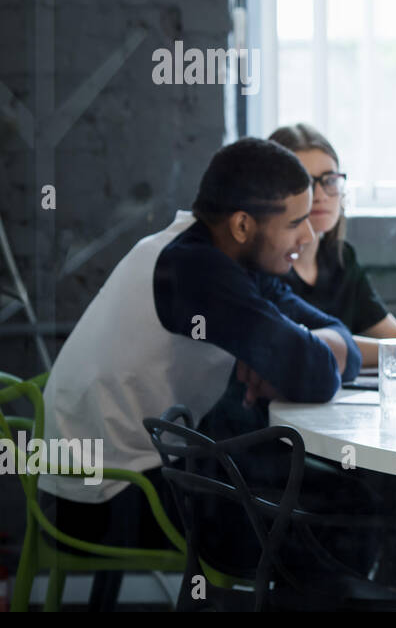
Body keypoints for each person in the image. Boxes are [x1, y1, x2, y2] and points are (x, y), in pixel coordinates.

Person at [38, 138, 360, 584]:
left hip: (133, 475)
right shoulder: (195, 270)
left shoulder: (227, 254)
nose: (308, 237)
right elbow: (319, 375)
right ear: (244, 224)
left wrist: (313, 352)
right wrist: (307, 357)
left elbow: (341, 344)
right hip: (106, 500)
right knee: (326, 515)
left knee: (331, 495)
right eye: (296, 223)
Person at [268, 123, 396, 368]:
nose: (321, 195)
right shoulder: (268, 267)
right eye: (305, 181)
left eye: (330, 180)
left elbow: (395, 334)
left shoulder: (340, 258)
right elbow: (320, 344)